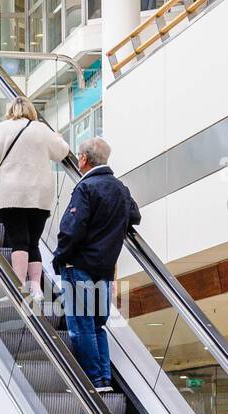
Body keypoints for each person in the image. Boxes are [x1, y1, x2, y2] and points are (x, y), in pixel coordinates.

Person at [53, 137, 141, 393]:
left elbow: (72, 228)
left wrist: (60, 256)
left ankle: (93, 380)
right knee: (96, 324)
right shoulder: (119, 188)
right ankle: (102, 379)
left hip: (79, 265)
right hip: (104, 269)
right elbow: (135, 216)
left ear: (82, 159)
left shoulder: (86, 188)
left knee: (81, 325)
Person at [0, 96, 69, 305]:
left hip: (11, 193)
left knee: (18, 240)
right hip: (39, 195)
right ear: (31, 110)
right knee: (33, 242)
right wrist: (56, 135)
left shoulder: (3, 128)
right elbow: (62, 152)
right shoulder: (41, 129)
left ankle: (20, 287)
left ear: (11, 110)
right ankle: (37, 289)